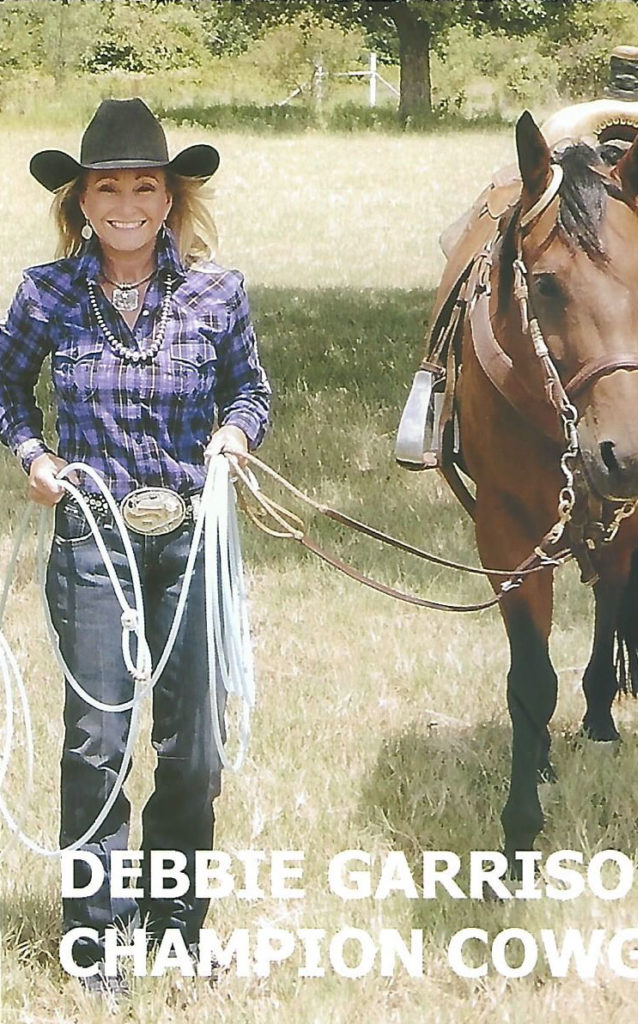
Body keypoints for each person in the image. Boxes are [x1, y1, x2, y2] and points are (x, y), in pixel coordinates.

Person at [0, 98, 272, 995]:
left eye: (144, 186)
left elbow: (250, 395)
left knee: (193, 748)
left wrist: (235, 436)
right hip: (93, 537)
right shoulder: (45, 293)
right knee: (97, 741)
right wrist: (34, 454)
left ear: (169, 197)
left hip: (192, 540)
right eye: (106, 187)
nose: (126, 204)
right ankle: (95, 938)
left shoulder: (217, 291)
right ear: (80, 200)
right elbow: (5, 389)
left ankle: (175, 922)